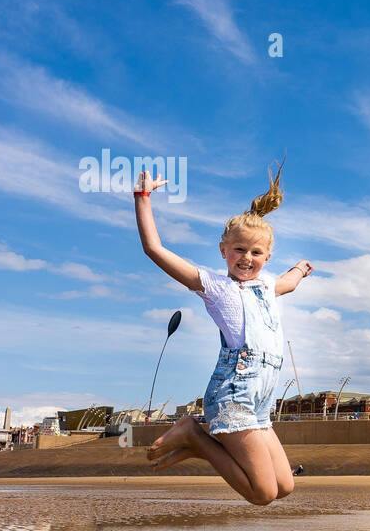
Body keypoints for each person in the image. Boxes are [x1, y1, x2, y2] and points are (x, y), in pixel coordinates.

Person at [134, 162, 314, 504]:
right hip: (234, 394)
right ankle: (196, 437)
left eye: (256, 253)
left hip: (261, 402)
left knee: (285, 487)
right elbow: (154, 250)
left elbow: (289, 283)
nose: (246, 258)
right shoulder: (215, 286)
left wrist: (301, 269)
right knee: (262, 494)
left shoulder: (266, 283)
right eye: (239, 250)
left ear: (267, 256)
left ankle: (200, 447)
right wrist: (142, 197)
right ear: (223, 251)